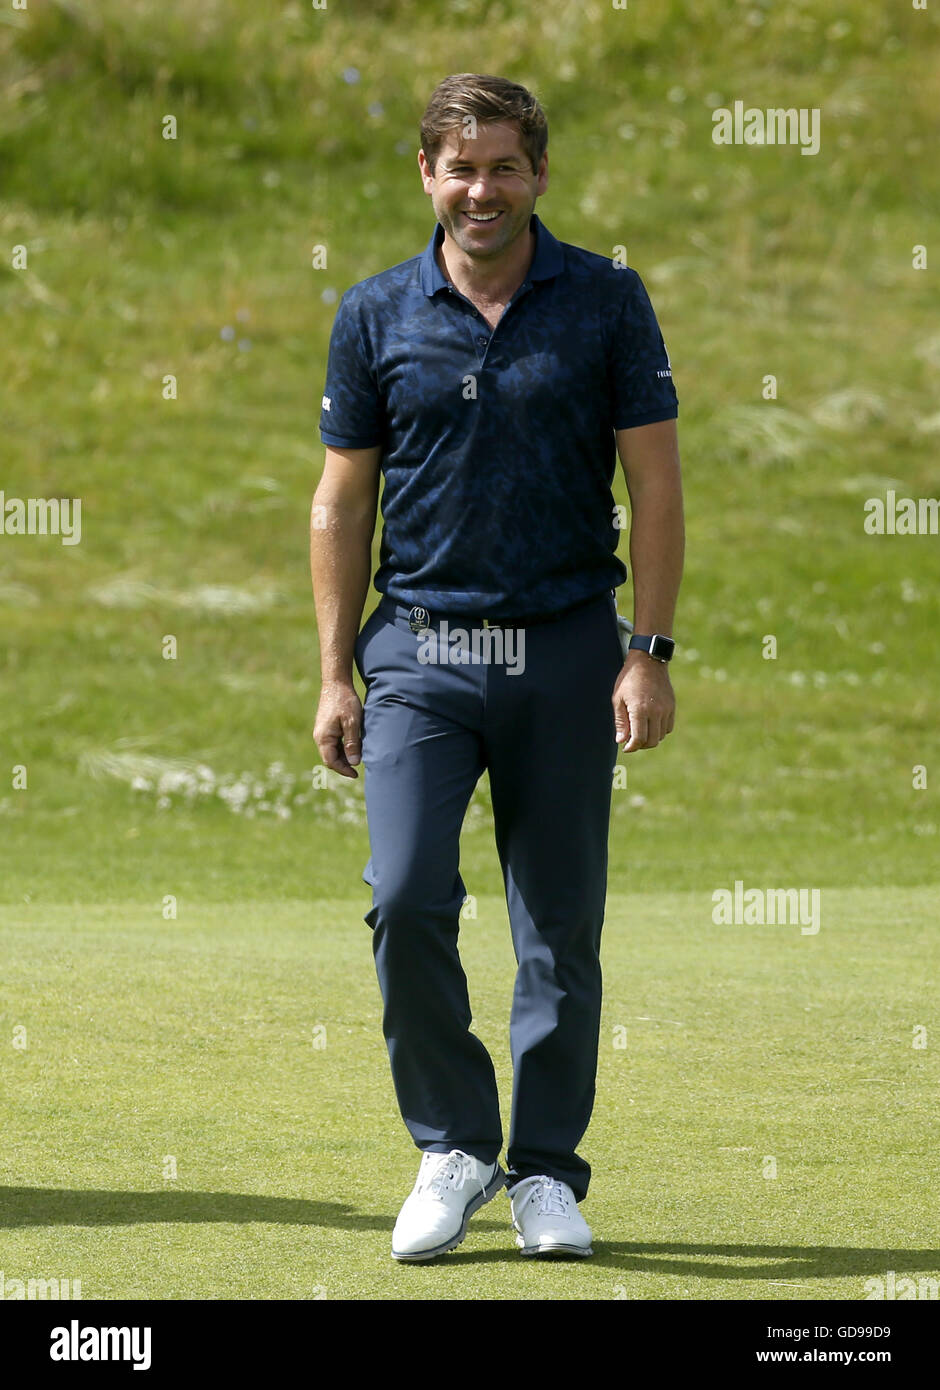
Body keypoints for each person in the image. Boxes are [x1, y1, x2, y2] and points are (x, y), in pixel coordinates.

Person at [310, 72, 684, 1262]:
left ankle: (544, 1175)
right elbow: (340, 502)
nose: (481, 188)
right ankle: (454, 1145)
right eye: (459, 167)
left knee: (557, 927)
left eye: (503, 166)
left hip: (566, 644)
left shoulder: (607, 301)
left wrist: (648, 651)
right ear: (426, 174)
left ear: (538, 175)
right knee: (407, 893)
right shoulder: (375, 313)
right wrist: (333, 672)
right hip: (419, 649)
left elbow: (655, 486)